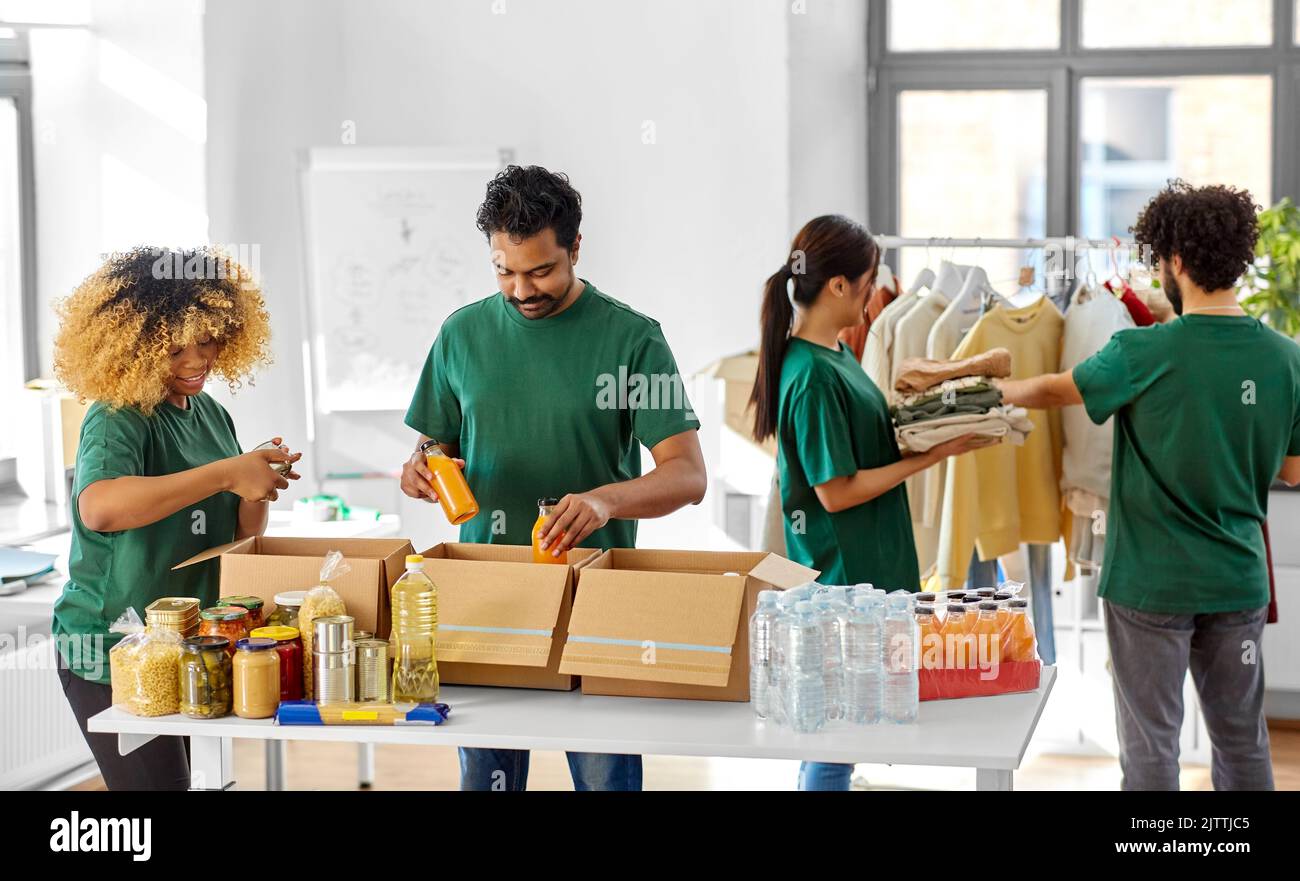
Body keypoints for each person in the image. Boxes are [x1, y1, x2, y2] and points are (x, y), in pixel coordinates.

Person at [401, 165, 706, 791]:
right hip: (489, 598)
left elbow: (687, 475)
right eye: (504, 270)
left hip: (594, 601)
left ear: (575, 248)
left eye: (540, 270)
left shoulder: (632, 340)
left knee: (604, 778)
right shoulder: (462, 334)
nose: (521, 289)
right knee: (489, 780)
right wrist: (425, 465)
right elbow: (436, 443)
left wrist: (602, 501)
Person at [999, 181, 1300, 791]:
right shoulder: (1288, 358)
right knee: (1242, 741)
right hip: (1237, 582)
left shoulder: (1141, 350)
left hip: (1149, 585)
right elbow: (1290, 473)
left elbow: (1057, 389)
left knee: (1152, 749)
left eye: (1159, 260)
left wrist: (985, 391)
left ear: (1178, 262)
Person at [51, 247, 301, 790]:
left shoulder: (211, 413)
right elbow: (101, 507)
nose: (196, 360)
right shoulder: (118, 414)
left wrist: (256, 480)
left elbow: (241, 535)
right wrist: (225, 474)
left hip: (188, 644)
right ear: (133, 343)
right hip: (113, 647)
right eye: (173, 347)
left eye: (208, 340)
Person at [750, 215, 984, 791]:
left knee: (839, 740)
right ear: (837, 286)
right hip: (843, 585)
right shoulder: (811, 376)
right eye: (867, 280)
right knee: (837, 740)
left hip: (865, 577)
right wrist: (933, 456)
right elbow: (837, 491)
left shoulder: (836, 356)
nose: (873, 292)